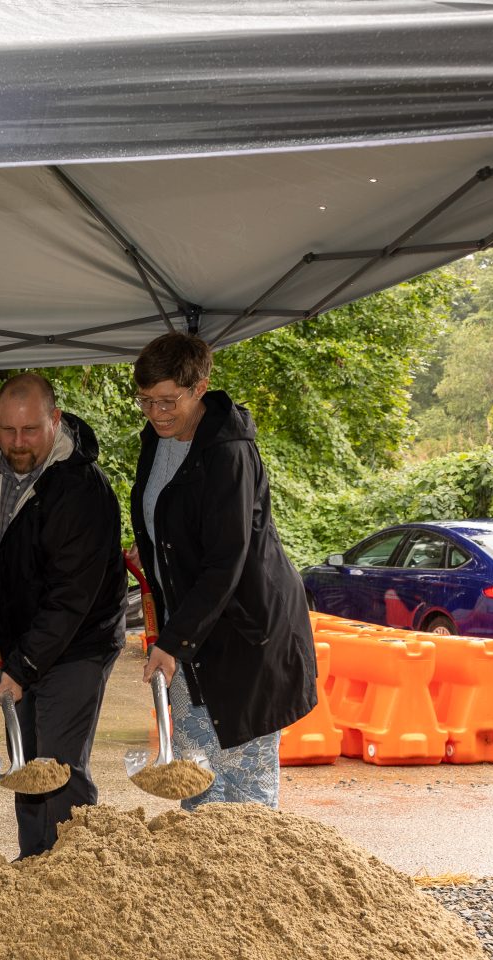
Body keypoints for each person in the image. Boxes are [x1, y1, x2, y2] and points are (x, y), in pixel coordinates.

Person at [129, 331, 317, 808]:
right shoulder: (157, 440)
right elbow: (173, 517)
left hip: (246, 635)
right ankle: (202, 881)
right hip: (195, 630)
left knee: (243, 789)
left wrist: (171, 644)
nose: (157, 414)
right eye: (146, 402)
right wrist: (154, 549)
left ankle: (256, 881)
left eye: (168, 401)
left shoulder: (229, 453)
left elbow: (225, 559)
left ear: (200, 388)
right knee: (196, 778)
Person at [0, 374, 124, 858]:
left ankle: (73, 875)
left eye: (31, 430)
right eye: (8, 431)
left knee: (58, 762)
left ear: (55, 420)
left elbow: (70, 598)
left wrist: (21, 668)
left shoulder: (81, 489)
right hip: (23, 638)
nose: (18, 443)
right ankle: (34, 866)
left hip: (79, 640)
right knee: (27, 759)